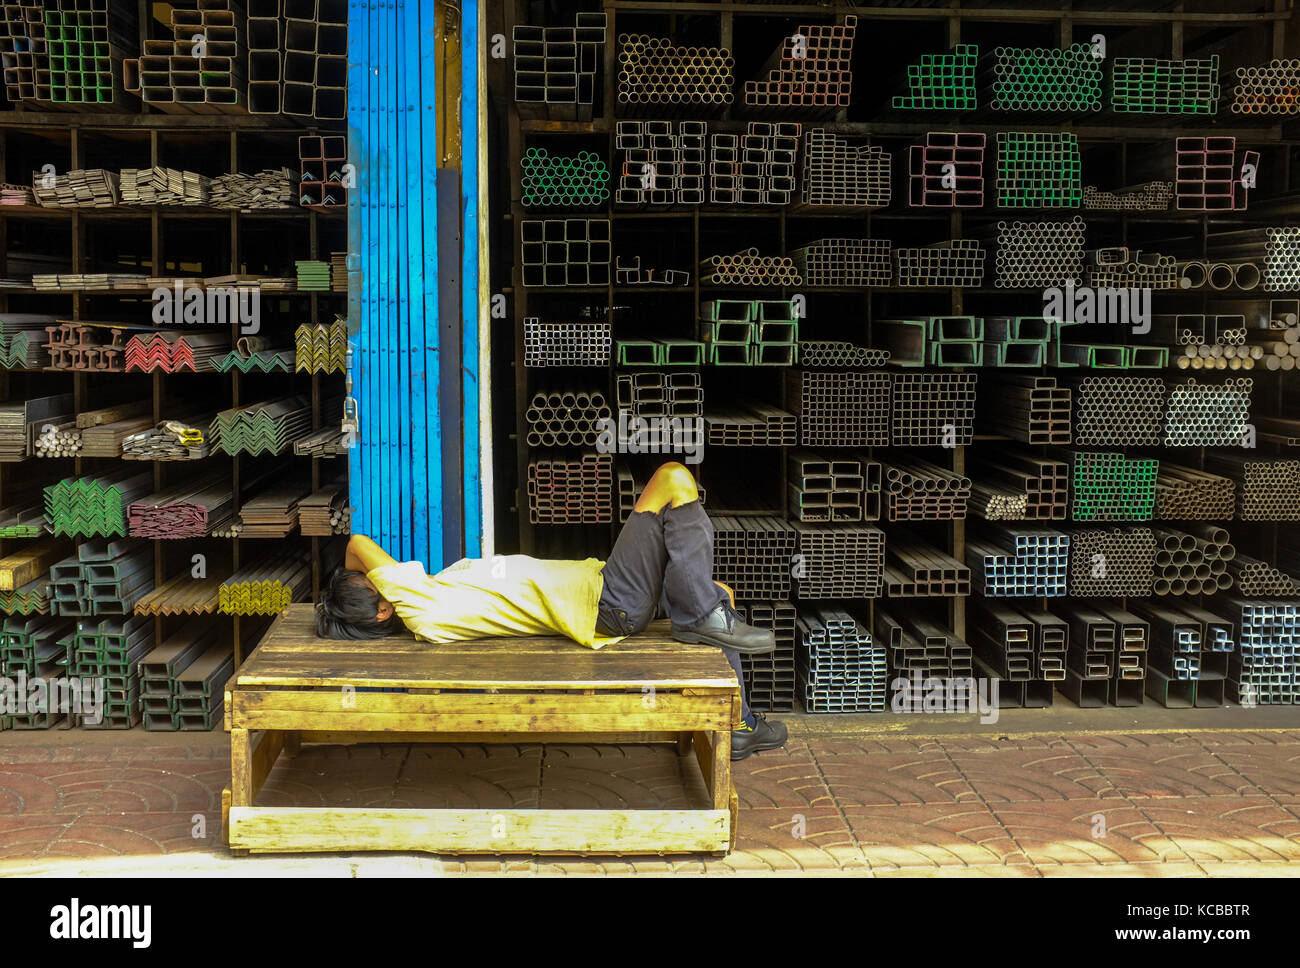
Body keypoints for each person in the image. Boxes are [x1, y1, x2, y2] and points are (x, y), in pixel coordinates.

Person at [316, 461, 788, 760]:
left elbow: (370, 566)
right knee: (673, 480)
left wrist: (353, 598)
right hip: (608, 602)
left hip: (606, 597)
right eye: (375, 582)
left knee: (714, 588)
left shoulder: (422, 600)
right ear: (383, 608)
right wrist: (347, 585)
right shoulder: (418, 604)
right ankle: (702, 618)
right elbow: (357, 545)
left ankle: (740, 722)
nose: (387, 570)